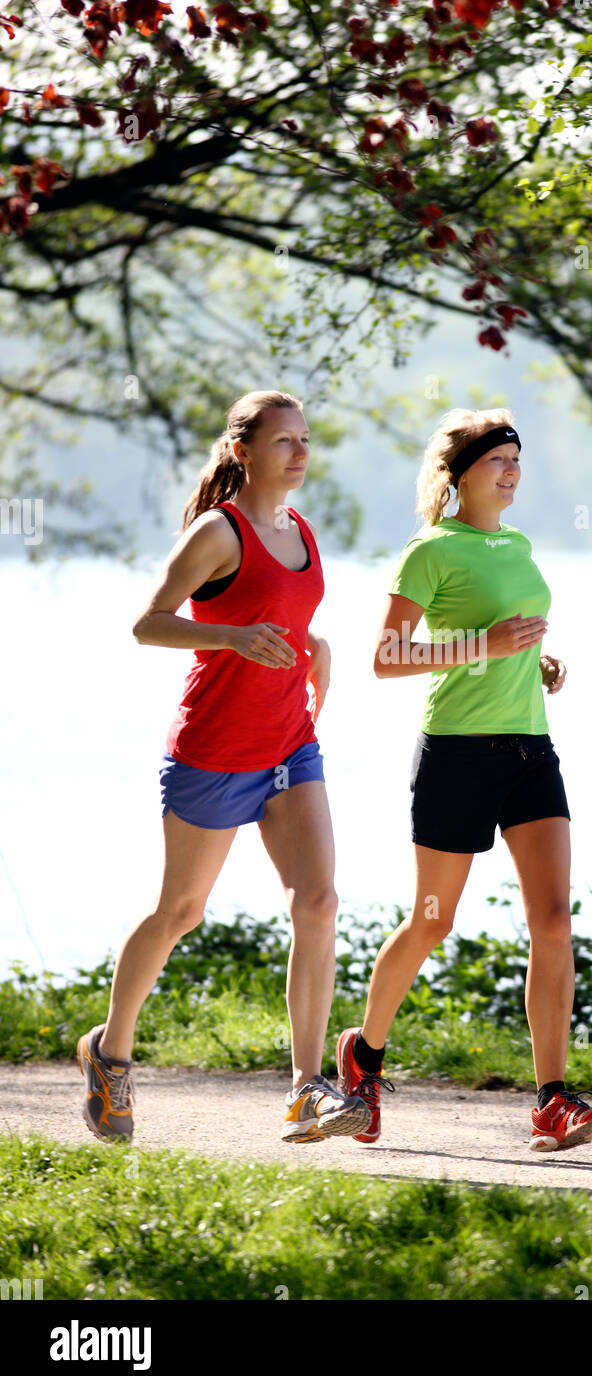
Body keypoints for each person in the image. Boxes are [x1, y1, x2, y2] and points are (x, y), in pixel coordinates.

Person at [77, 389, 368, 1144]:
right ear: (243, 450)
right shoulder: (219, 532)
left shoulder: (298, 528)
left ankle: (308, 1087)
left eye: (305, 440)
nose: (300, 453)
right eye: (284, 442)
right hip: (213, 753)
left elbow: (288, 620)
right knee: (180, 913)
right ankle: (109, 1053)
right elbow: (148, 624)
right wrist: (234, 639)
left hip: (289, 745)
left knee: (319, 900)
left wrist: (318, 647)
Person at [336, 407, 592, 1153]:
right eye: (498, 461)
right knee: (432, 920)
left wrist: (534, 662)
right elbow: (387, 657)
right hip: (457, 754)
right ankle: (362, 1057)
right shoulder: (430, 550)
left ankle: (552, 1102)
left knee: (553, 922)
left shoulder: (516, 543)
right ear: (461, 474)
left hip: (530, 750)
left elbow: (508, 637)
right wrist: (485, 644)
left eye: (517, 460)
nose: (512, 472)